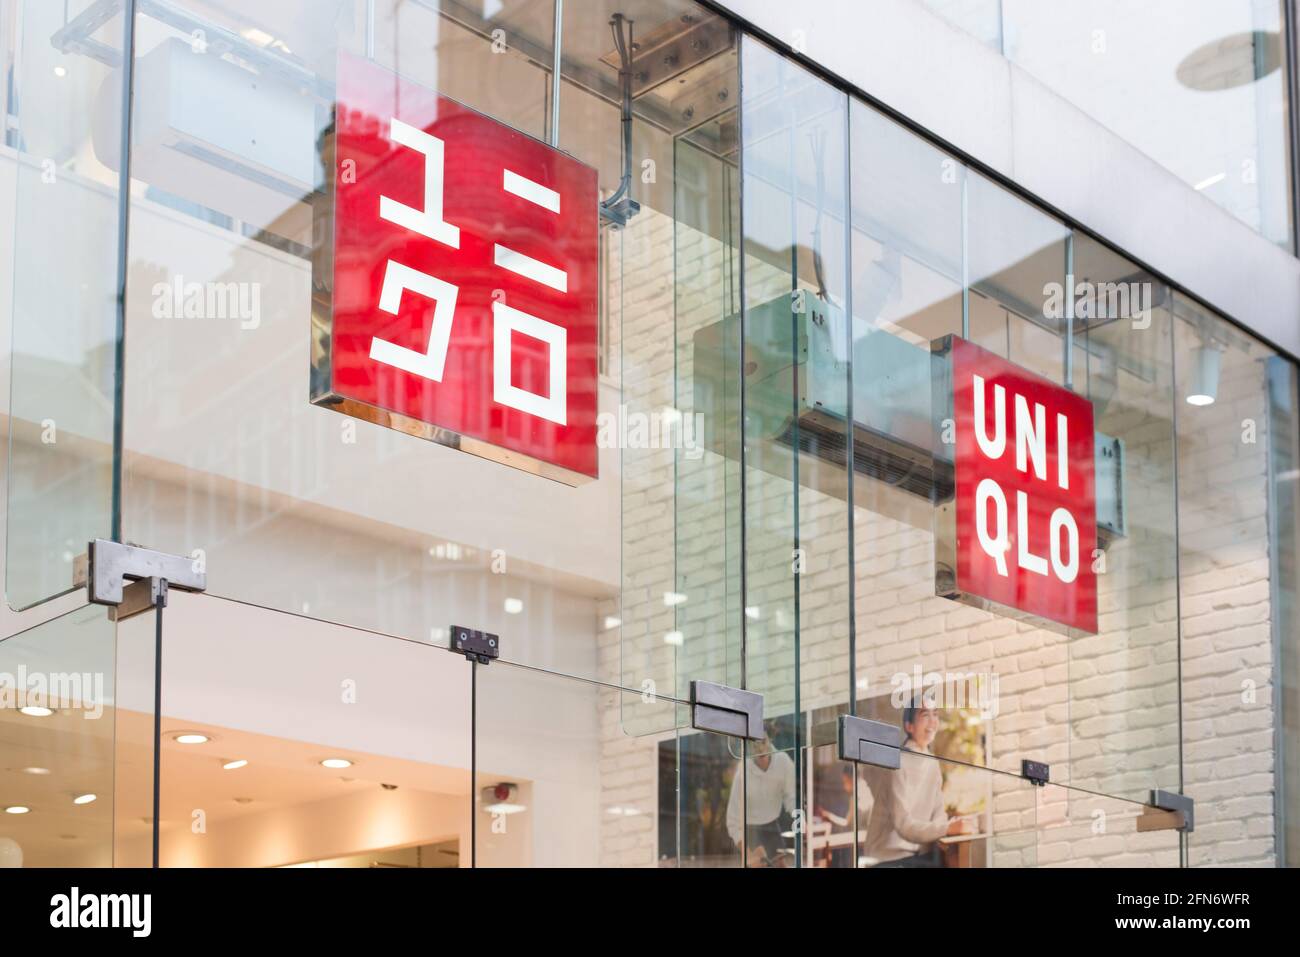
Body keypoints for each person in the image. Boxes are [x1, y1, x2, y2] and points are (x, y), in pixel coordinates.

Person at [861, 699, 968, 867]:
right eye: (925, 715)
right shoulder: (896, 763)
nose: (932, 721)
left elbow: (939, 812)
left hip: (917, 855)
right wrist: (946, 829)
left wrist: (946, 826)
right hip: (886, 857)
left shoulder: (931, 761)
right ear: (909, 726)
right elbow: (903, 825)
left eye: (935, 714)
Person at [725, 732, 796, 867]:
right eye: (754, 744)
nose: (760, 748)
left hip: (773, 825)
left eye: (763, 742)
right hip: (751, 832)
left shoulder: (784, 761)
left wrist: (799, 817)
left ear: (770, 740)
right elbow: (732, 820)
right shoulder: (743, 771)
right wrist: (748, 854)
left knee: (782, 865)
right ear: (748, 747)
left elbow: (791, 797)